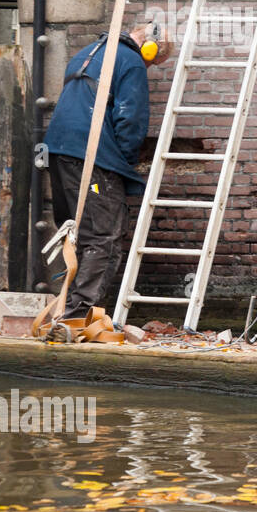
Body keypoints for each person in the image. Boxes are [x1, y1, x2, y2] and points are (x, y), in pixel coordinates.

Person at [44, 24, 171, 319]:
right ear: (149, 48)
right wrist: (123, 162)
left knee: (79, 232)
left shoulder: (86, 53)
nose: (149, 66)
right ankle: (77, 315)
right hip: (91, 155)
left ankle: (66, 306)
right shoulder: (131, 60)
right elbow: (130, 118)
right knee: (105, 235)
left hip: (59, 151)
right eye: (152, 62)